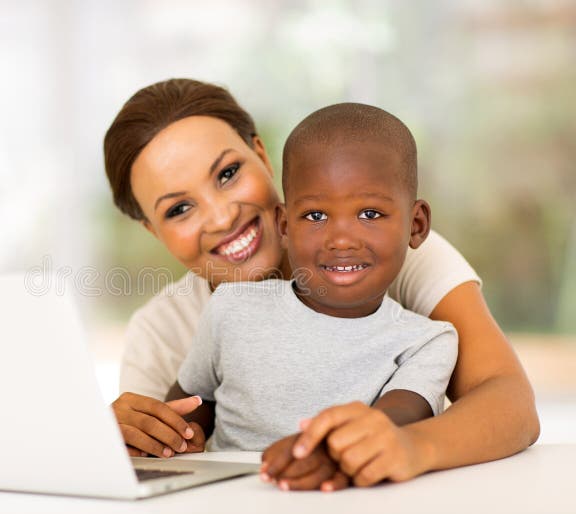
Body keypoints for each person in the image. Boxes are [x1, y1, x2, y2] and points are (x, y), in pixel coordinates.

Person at [105, 79, 539, 487]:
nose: (222, 217)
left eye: (228, 174)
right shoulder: (166, 328)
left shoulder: (394, 255)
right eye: (179, 208)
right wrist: (117, 438)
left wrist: (409, 447)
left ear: (260, 153)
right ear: (152, 229)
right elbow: (155, 457)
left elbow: (510, 403)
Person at [169, 102, 458, 491]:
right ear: (285, 226)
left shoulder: (427, 342)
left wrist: (317, 452)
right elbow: (186, 413)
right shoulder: (232, 308)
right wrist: (168, 437)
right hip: (232, 504)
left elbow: (391, 422)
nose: (341, 239)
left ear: (416, 224)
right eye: (316, 216)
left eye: (370, 214)